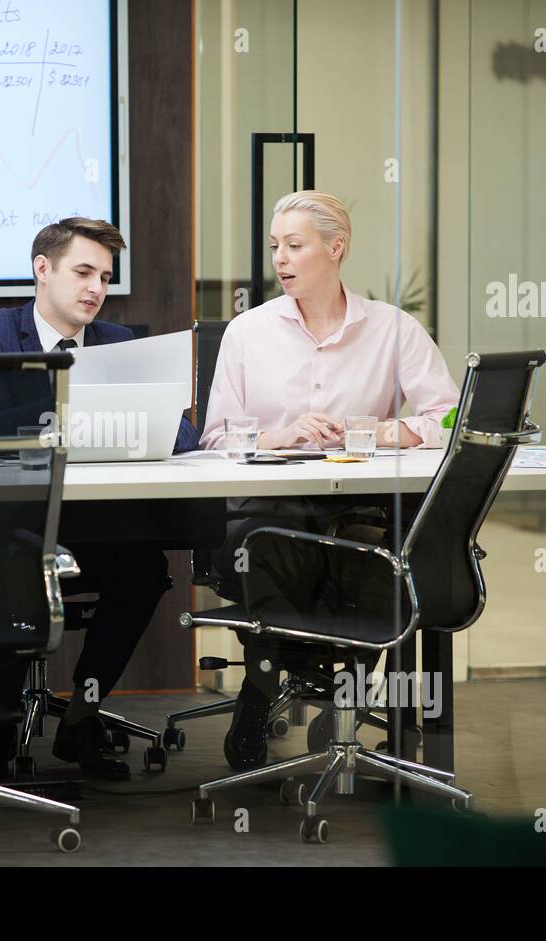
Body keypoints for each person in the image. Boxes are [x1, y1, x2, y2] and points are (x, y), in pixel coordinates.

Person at [201, 190, 460, 770]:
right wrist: (281, 436)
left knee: (389, 554)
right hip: (270, 507)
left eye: (295, 246)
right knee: (260, 547)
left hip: (360, 509)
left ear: (335, 248)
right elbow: (215, 438)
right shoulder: (248, 333)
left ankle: (347, 692)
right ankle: (262, 693)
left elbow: (447, 418)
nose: (281, 260)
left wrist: (380, 431)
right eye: (276, 247)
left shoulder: (393, 329)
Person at [0, 217, 196, 781]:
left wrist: (146, 414)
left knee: (145, 571)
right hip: (14, 523)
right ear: (43, 269)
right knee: (9, 572)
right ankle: (1, 720)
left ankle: (83, 714)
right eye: (83, 272)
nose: (96, 289)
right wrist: (75, 412)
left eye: (106, 278)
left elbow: (182, 435)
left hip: (98, 523)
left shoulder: (118, 344)